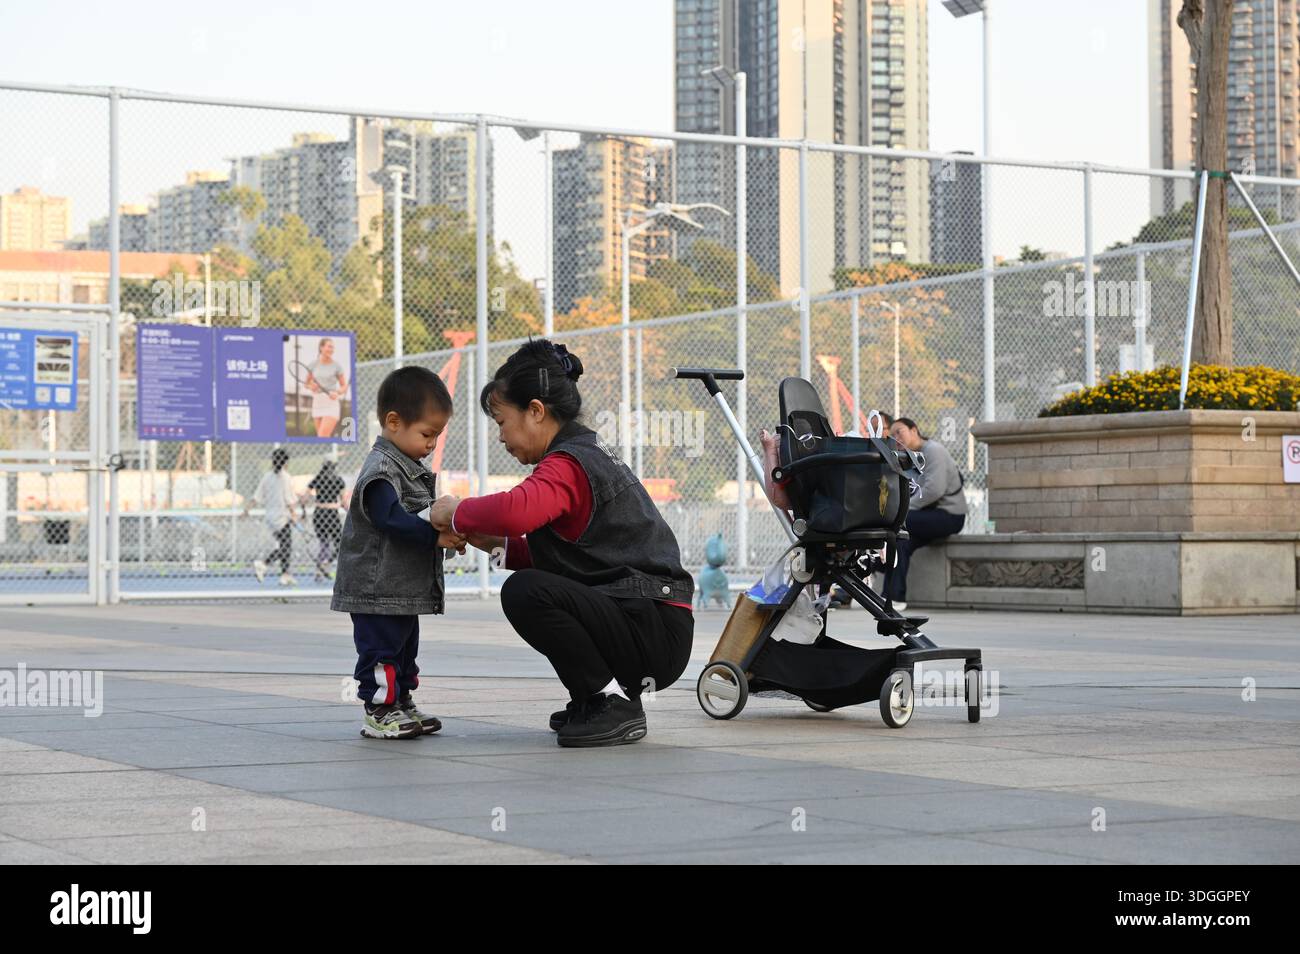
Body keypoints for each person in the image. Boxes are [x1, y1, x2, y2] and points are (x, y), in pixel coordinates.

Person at [428, 338, 695, 749]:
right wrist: (479, 538)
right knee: (532, 581)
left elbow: (517, 512)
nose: (501, 437)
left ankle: (611, 702)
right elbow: (548, 555)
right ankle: (592, 700)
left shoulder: (568, 462)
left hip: (652, 626)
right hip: (648, 619)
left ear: (535, 411)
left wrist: (454, 511)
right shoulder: (583, 452)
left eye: (501, 422)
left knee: (524, 591)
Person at [330, 366, 467, 740]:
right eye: (427, 433)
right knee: (381, 649)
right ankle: (379, 708)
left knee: (405, 650)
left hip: (400, 588)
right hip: (376, 589)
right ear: (394, 422)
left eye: (436, 436)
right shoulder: (382, 469)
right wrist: (434, 538)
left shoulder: (409, 468)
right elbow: (389, 517)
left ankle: (401, 701)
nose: (431, 444)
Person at [885, 416, 967, 611]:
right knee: (902, 543)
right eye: (893, 435)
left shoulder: (933, 451)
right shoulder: (907, 457)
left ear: (914, 430)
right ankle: (893, 597)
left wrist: (901, 511)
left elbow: (933, 490)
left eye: (900, 432)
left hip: (949, 515)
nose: (896, 437)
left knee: (898, 523)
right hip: (926, 516)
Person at [249, 448, 298, 586]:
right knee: (286, 547)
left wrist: (246, 511)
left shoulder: (267, 476)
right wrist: (294, 515)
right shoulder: (286, 477)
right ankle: (264, 564)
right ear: (285, 462)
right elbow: (289, 500)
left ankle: (285, 574)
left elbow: (257, 496)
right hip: (282, 518)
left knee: (284, 545)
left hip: (271, 518)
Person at [306, 459, 345, 580]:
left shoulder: (318, 479)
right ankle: (326, 563)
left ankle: (319, 569)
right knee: (339, 543)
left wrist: (312, 503)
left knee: (324, 543)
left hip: (319, 513)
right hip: (332, 513)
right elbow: (343, 500)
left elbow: (307, 493)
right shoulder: (337, 480)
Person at [306, 337, 347, 438]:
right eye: (329, 347)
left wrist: (337, 393)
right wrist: (312, 386)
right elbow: (306, 383)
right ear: (321, 348)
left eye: (332, 347)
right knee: (322, 438)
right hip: (317, 402)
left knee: (322, 436)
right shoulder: (313, 364)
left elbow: (344, 386)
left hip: (331, 402)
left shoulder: (337, 366)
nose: (331, 350)